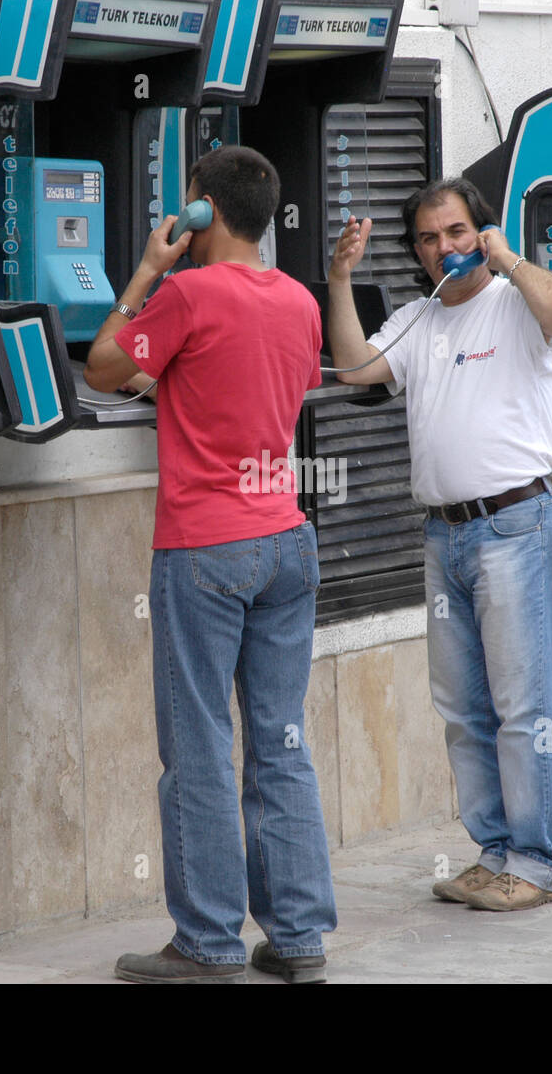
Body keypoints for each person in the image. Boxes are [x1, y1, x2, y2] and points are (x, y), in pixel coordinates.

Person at [84, 145, 336, 983]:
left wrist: (144, 275)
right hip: (286, 538)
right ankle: (298, 938)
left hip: (206, 543)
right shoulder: (299, 300)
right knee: (281, 741)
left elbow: (105, 364)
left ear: (204, 212)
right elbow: (272, 387)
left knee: (198, 743)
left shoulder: (186, 291)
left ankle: (209, 941)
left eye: (189, 206)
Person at [325, 177, 552, 911]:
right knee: (463, 707)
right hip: (445, 534)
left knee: (523, 704)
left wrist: (505, 257)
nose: (445, 247)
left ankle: (540, 862)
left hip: (516, 526)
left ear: (481, 230)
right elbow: (353, 368)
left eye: (457, 231)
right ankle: (495, 849)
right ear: (415, 250)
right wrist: (340, 279)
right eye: (430, 237)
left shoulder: (516, 303)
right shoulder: (419, 318)